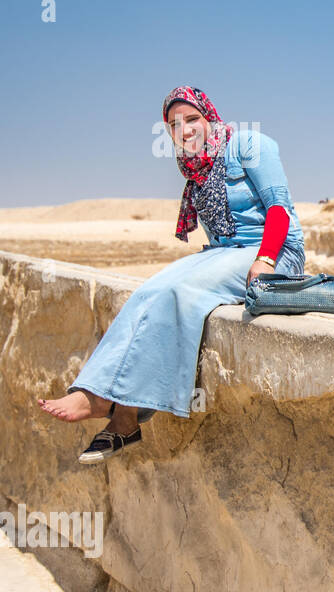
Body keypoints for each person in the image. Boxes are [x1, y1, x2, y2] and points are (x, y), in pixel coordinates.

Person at [37, 86, 307, 463]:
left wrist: (264, 259)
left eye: (192, 119)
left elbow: (279, 208)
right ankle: (124, 418)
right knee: (150, 291)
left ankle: (102, 400)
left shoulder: (249, 143)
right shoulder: (194, 168)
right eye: (174, 125)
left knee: (178, 292)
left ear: (209, 116)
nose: (185, 130)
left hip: (274, 252)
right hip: (225, 254)